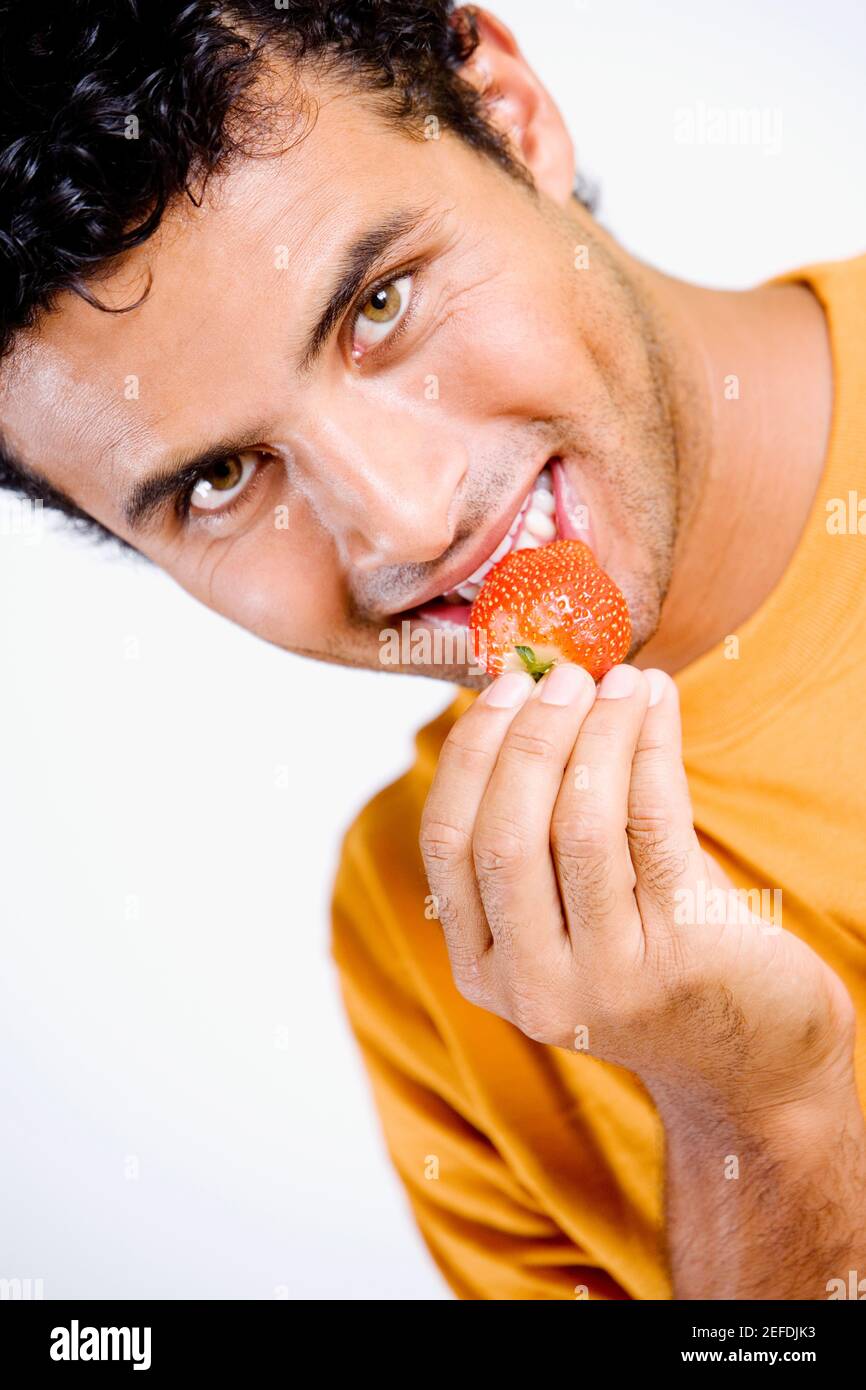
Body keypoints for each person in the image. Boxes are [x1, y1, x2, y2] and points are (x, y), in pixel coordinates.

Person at [2, 1, 864, 1300]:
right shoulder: (421, 941)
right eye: (225, 477)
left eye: (380, 303)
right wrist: (758, 1114)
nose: (403, 517)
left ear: (511, 117)